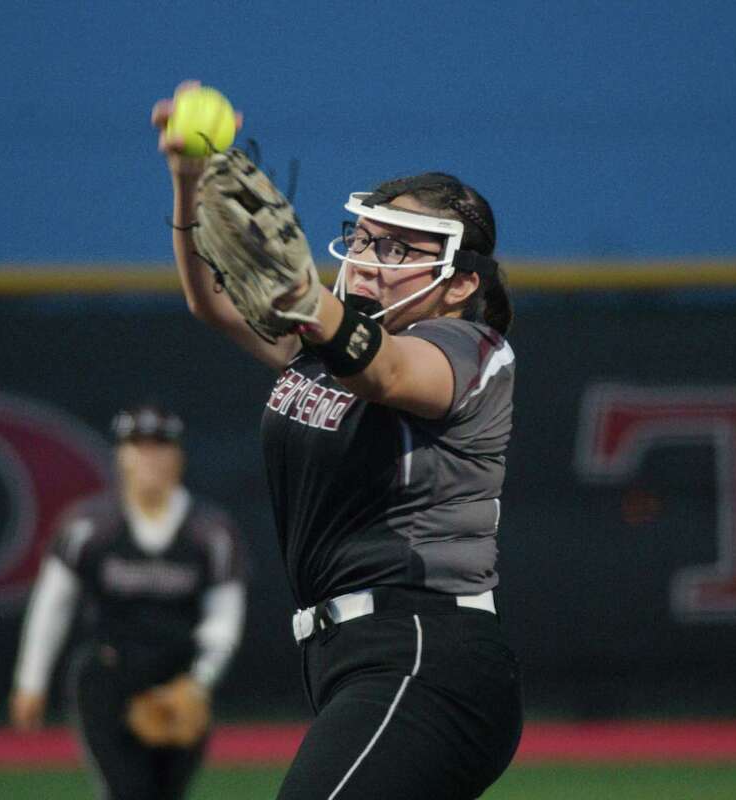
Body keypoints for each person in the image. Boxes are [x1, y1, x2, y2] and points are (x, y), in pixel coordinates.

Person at [151, 81, 522, 798]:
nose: (370, 256)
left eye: (400, 247)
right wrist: (186, 180)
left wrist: (305, 299)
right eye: (365, 238)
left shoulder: (470, 348)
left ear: (457, 282)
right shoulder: (321, 344)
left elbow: (383, 368)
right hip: (345, 658)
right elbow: (211, 302)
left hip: (429, 656)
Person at [9, 403, 246, 800]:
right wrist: (30, 682)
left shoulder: (210, 532)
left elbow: (224, 619)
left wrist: (198, 683)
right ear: (120, 455)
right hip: (108, 676)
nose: (149, 457)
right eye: (137, 446)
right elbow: (52, 606)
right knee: (127, 792)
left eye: (160, 446)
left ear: (179, 456)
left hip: (179, 680)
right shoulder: (88, 526)